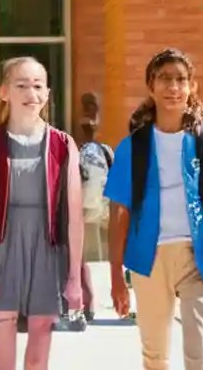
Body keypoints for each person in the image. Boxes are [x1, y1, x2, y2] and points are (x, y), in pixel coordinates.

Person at [105, 48, 203, 370]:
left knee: (199, 351)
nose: (173, 87)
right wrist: (116, 279)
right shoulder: (133, 147)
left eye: (180, 79)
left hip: (197, 255)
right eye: (164, 79)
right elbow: (118, 214)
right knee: (155, 355)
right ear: (151, 86)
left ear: (192, 87)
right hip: (148, 259)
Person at [0, 56, 83, 369]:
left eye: (37, 86)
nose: (31, 93)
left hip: (47, 248)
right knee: (2, 342)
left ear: (47, 94)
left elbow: (74, 217)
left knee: (41, 339)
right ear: (5, 92)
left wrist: (74, 276)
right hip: (1, 248)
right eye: (22, 85)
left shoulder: (64, 145)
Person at [75, 92, 114, 324]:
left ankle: (84, 301)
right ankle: (84, 301)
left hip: (87, 207)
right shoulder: (95, 149)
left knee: (79, 258)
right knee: (79, 258)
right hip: (90, 207)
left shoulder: (97, 150)